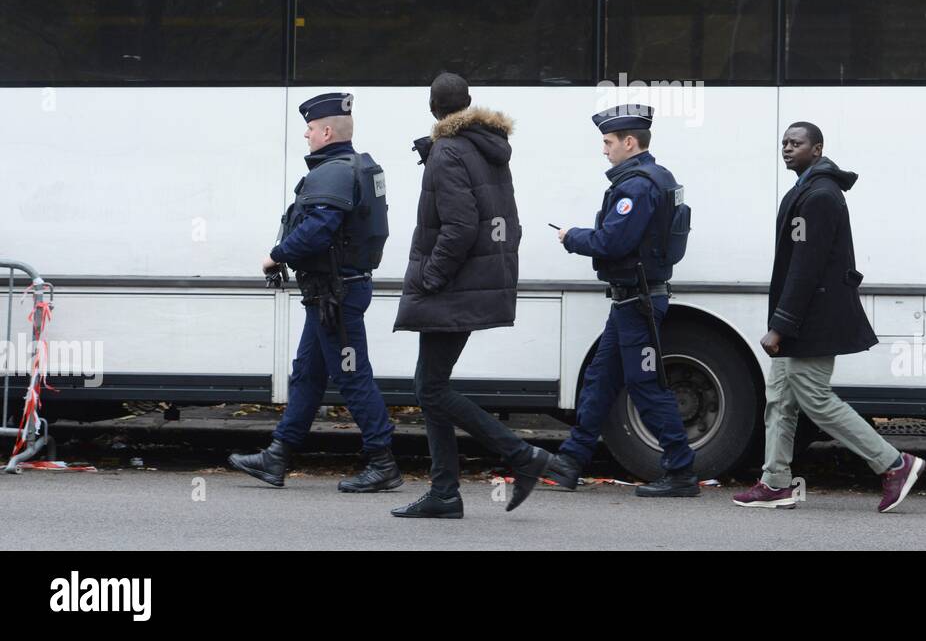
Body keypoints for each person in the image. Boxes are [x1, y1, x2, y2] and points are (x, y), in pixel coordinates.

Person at [733, 122, 926, 512]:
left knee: (814, 398)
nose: (787, 148)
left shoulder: (820, 195)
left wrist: (780, 326)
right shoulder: (809, 189)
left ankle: (894, 464)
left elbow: (806, 266)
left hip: (811, 320)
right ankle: (775, 483)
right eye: (784, 142)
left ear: (817, 149)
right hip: (804, 316)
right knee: (780, 400)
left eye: (797, 143)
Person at [390, 73, 552, 519]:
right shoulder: (488, 147)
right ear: (468, 104)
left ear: (432, 109)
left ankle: (521, 455)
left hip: (452, 286)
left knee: (431, 387)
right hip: (474, 281)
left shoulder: (448, 151)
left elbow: (460, 227)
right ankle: (445, 491)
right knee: (430, 386)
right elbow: (504, 222)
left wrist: (429, 277)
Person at [229, 92, 399, 493]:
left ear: (326, 131)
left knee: (353, 376)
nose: (305, 135)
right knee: (307, 375)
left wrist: (276, 255)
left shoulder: (335, 172)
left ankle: (383, 462)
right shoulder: (354, 166)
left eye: (309, 128)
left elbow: (317, 231)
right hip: (329, 295)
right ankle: (277, 456)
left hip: (336, 298)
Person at [545, 104, 698, 497]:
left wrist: (572, 236)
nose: (605, 150)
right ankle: (569, 463)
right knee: (600, 379)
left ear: (630, 142)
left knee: (646, 384)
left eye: (609, 142)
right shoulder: (657, 177)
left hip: (639, 302)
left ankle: (680, 472)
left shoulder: (637, 186)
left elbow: (613, 241)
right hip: (631, 302)